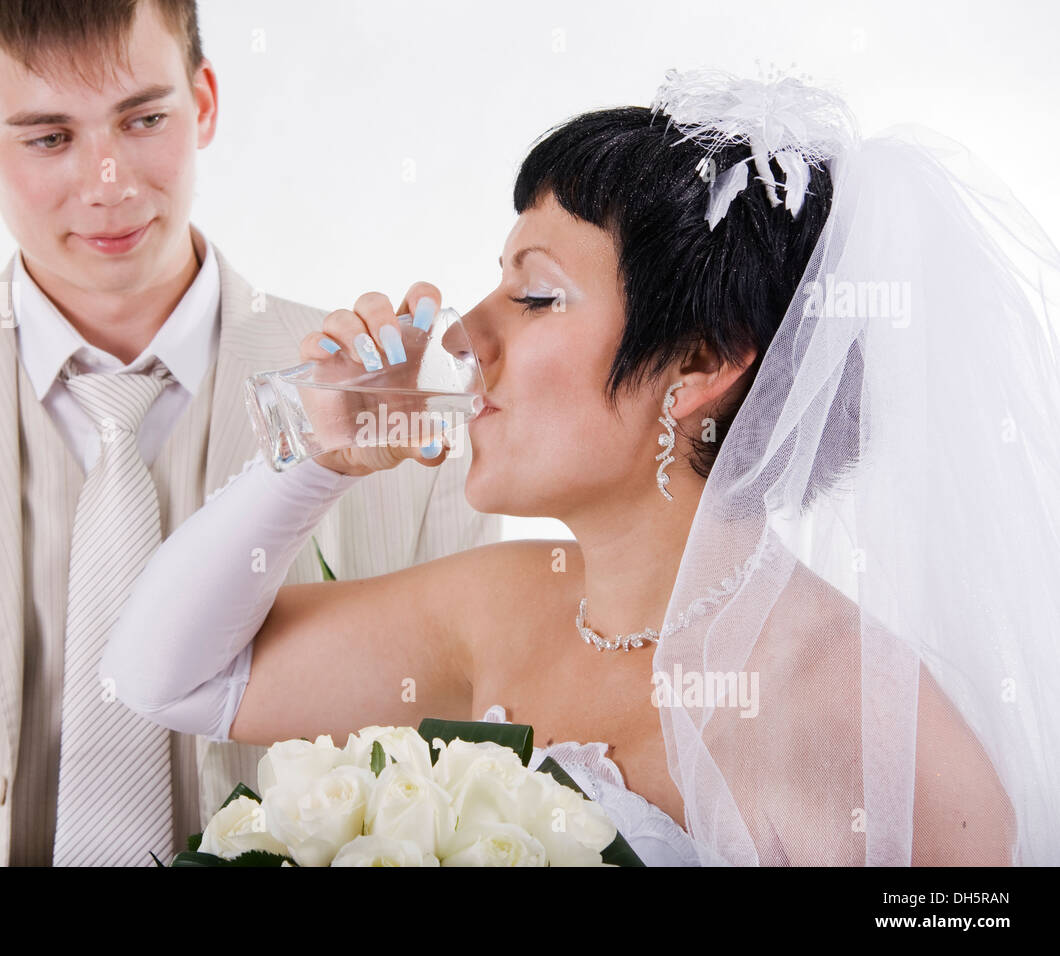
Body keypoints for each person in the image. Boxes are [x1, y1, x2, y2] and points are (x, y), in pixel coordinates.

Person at [103, 68, 1060, 865]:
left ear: (696, 365)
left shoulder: (882, 737)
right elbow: (168, 680)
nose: (470, 334)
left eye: (536, 296)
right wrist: (313, 458)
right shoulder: (509, 602)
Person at [0, 0, 499, 867]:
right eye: (48, 138)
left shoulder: (410, 411)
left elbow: (466, 788)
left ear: (206, 101)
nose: (108, 181)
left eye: (144, 118)